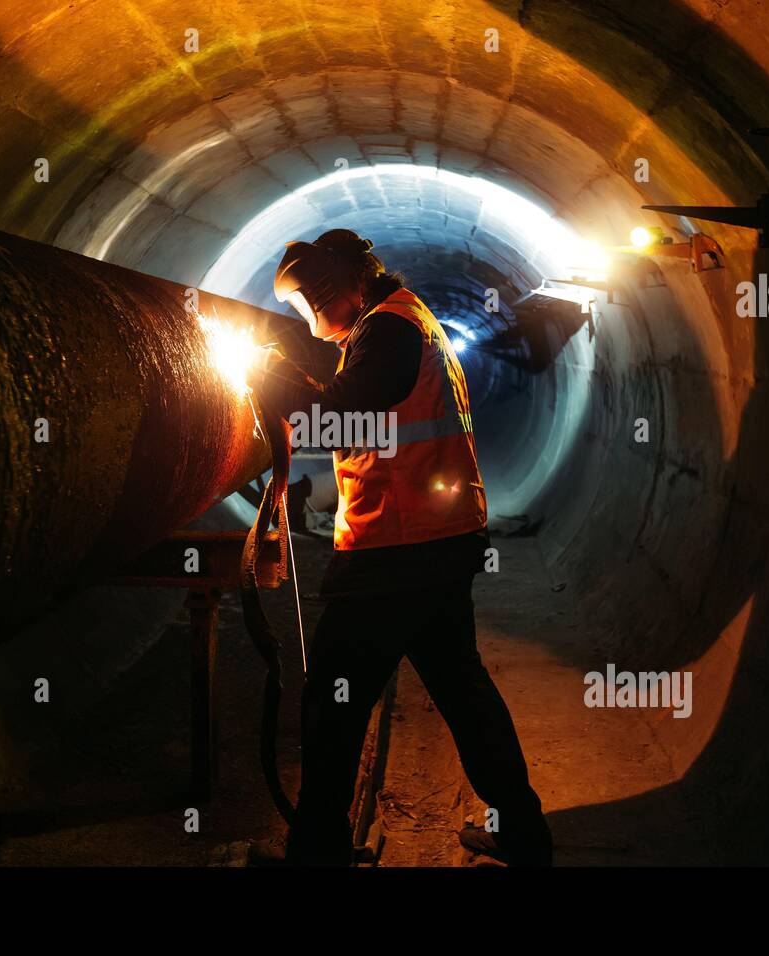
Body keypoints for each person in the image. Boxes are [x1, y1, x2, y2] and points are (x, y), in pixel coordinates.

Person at [247, 228, 552, 867]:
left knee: (333, 698)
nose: (310, 319)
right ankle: (525, 838)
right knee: (464, 696)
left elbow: (331, 420)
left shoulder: (388, 332)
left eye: (311, 303)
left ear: (345, 286)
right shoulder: (403, 320)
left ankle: (316, 850)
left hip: (396, 549)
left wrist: (276, 379)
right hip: (435, 543)